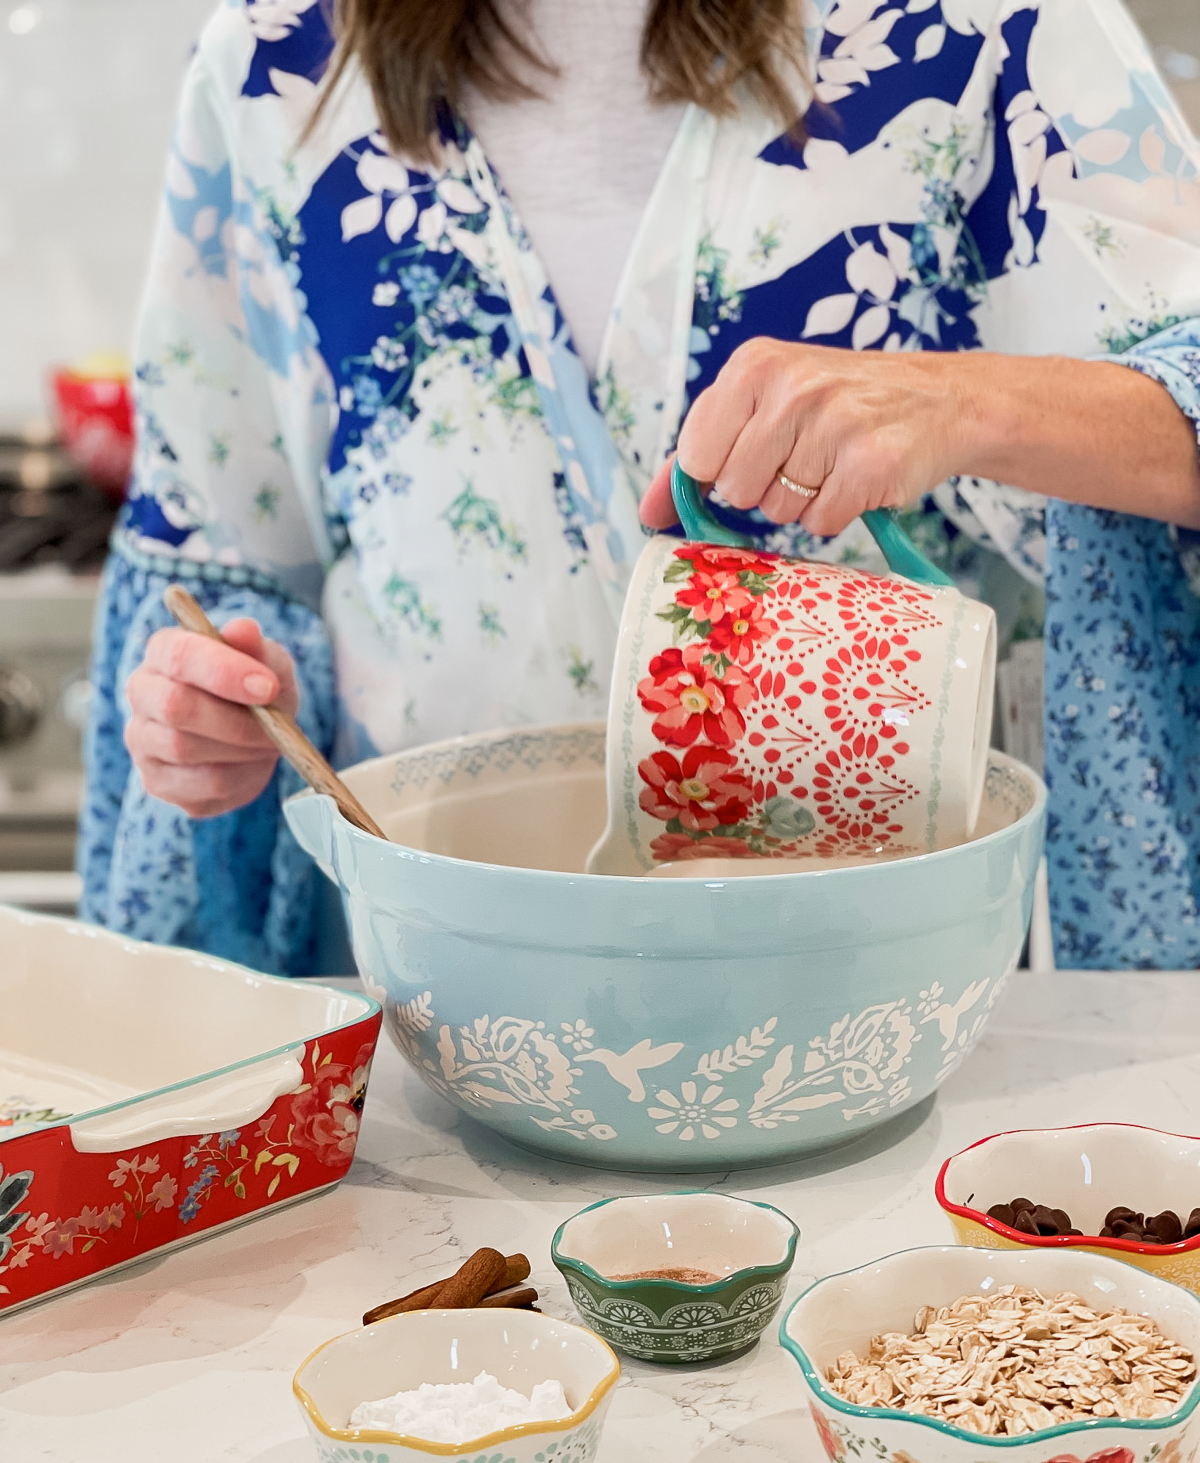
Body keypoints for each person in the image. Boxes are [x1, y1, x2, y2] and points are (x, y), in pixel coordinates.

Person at [80, 0, 1200, 973]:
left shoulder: (981, 24)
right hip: (437, 1001)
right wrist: (226, 709)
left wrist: (963, 402)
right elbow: (230, 561)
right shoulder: (276, 59)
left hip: (887, 975)